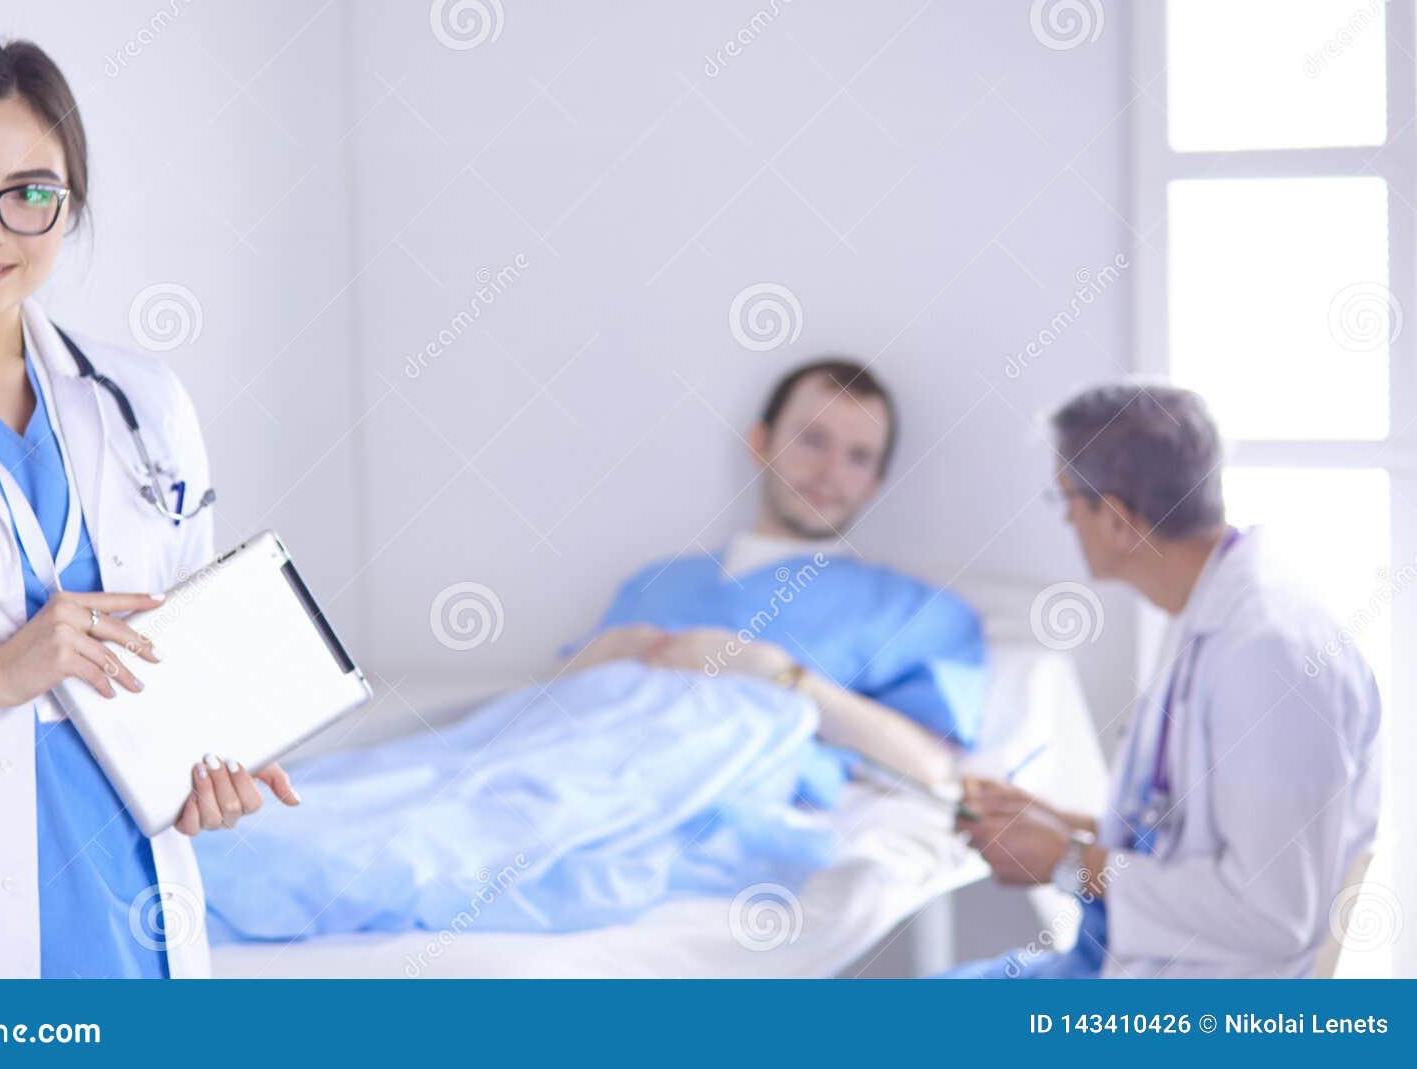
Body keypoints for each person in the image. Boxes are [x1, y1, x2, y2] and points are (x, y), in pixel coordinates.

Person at [0, 38, 300, 978]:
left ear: (68, 205)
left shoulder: (142, 400)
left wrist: (212, 773)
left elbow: (190, 665)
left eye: (31, 192)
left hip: (132, 930)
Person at [947, 382, 1381, 978]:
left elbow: (1275, 917)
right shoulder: (1208, 608)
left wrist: (1069, 860)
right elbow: (1191, 828)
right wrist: (1060, 824)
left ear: (1119, 520)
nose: (1067, 517)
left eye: (1067, 499)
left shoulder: (1270, 654)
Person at [559, 358, 986, 786]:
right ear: (761, 442)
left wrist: (778, 675)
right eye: (812, 440)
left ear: (876, 480)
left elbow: (934, 770)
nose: (830, 472)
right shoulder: (655, 584)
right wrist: (595, 660)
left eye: (859, 457)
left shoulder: (916, 612)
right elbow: (543, 717)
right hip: (574, 777)